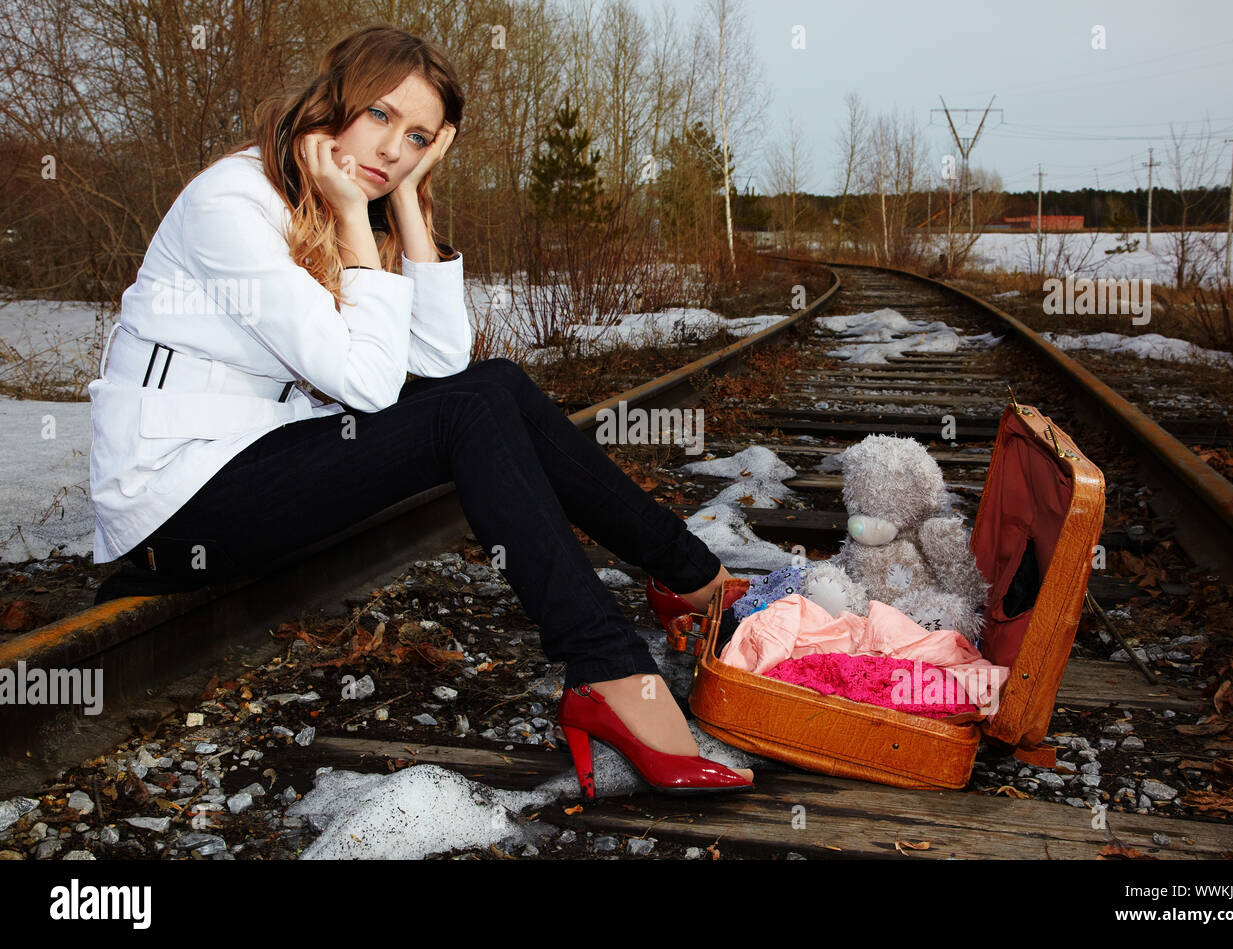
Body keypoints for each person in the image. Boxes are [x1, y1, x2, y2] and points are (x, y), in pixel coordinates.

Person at [88, 24, 752, 797]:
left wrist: (403, 200)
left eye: (417, 139)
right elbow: (369, 385)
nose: (391, 149)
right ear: (333, 98)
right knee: (466, 414)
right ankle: (607, 666)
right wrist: (354, 215)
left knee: (495, 385)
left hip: (254, 453)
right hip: (173, 499)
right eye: (379, 116)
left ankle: (689, 577)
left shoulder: (339, 194)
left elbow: (444, 361)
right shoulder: (230, 204)